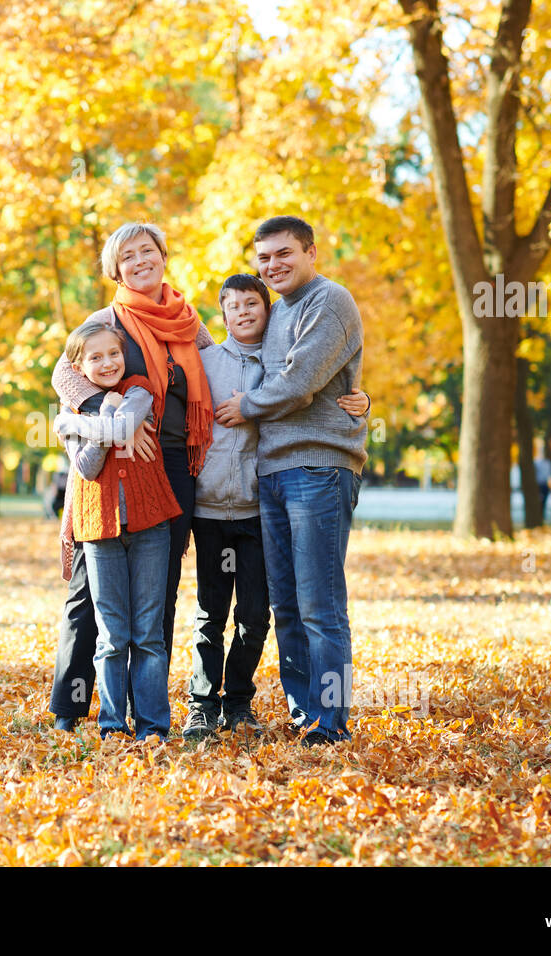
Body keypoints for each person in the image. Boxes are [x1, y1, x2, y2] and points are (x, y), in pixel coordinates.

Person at [49, 222, 369, 733]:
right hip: (115, 464)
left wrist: (358, 396)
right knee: (93, 590)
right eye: (127, 256)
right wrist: (105, 413)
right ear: (115, 268)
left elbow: (272, 364)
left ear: (163, 257)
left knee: (165, 587)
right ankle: (71, 706)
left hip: (178, 465)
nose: (140, 261)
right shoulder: (107, 319)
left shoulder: (187, 322)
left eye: (148, 251)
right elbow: (64, 372)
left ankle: (154, 713)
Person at [215, 216, 368, 746]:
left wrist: (246, 406)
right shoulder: (275, 312)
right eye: (265, 258)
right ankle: (306, 711)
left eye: (285, 254)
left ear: (311, 253)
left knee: (321, 603)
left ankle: (332, 719)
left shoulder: (330, 301)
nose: (274, 265)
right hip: (273, 471)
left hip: (319, 468)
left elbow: (300, 383)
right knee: (286, 603)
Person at [53, 319, 181, 740]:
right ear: (78, 366)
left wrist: (77, 426)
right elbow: (88, 467)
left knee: (147, 633)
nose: (108, 362)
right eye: (95, 357)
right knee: (111, 634)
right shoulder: (74, 405)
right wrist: (100, 422)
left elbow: (125, 427)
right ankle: (111, 724)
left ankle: (152, 727)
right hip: (98, 525)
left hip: (149, 523)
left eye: (113, 353)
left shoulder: (139, 388)